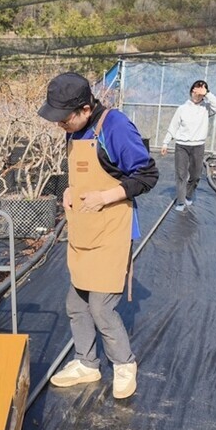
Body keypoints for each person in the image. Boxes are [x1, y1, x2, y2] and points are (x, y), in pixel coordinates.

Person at [38, 72, 158, 400]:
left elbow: (148, 175)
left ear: (86, 109)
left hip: (111, 229)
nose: (60, 124)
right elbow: (82, 172)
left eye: (65, 118)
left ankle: (124, 364)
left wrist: (106, 197)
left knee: (101, 307)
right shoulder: (74, 130)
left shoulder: (115, 127)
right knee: (76, 303)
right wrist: (69, 189)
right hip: (84, 228)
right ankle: (86, 363)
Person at [160, 80, 216, 211]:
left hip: (198, 146)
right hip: (182, 146)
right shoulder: (182, 109)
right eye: (197, 88)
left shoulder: (206, 108)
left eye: (202, 89)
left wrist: (207, 94)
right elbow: (173, 126)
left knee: (196, 175)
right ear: (192, 90)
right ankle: (181, 201)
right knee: (181, 174)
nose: (198, 91)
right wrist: (165, 143)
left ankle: (188, 194)